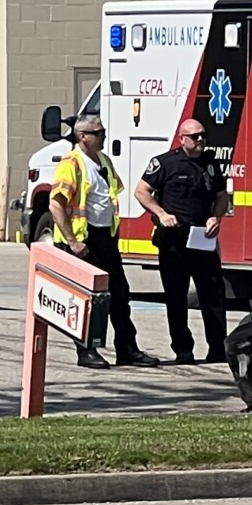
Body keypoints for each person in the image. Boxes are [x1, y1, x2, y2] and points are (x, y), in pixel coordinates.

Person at [47, 114, 152, 368]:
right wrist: (72, 241)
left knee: (119, 295)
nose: (103, 136)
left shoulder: (103, 160)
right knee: (89, 299)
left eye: (103, 131)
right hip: (84, 241)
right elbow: (55, 204)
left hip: (106, 238)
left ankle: (127, 348)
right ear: (82, 136)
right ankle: (87, 352)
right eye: (98, 133)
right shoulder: (71, 163)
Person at [135, 117, 230, 364]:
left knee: (213, 295)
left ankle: (218, 349)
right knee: (176, 297)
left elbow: (221, 196)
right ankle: (183, 350)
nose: (200, 140)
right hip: (174, 240)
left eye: (203, 135)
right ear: (182, 139)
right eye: (195, 136)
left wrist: (216, 218)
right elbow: (141, 191)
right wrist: (161, 214)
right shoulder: (165, 163)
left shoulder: (210, 163)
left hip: (203, 239)